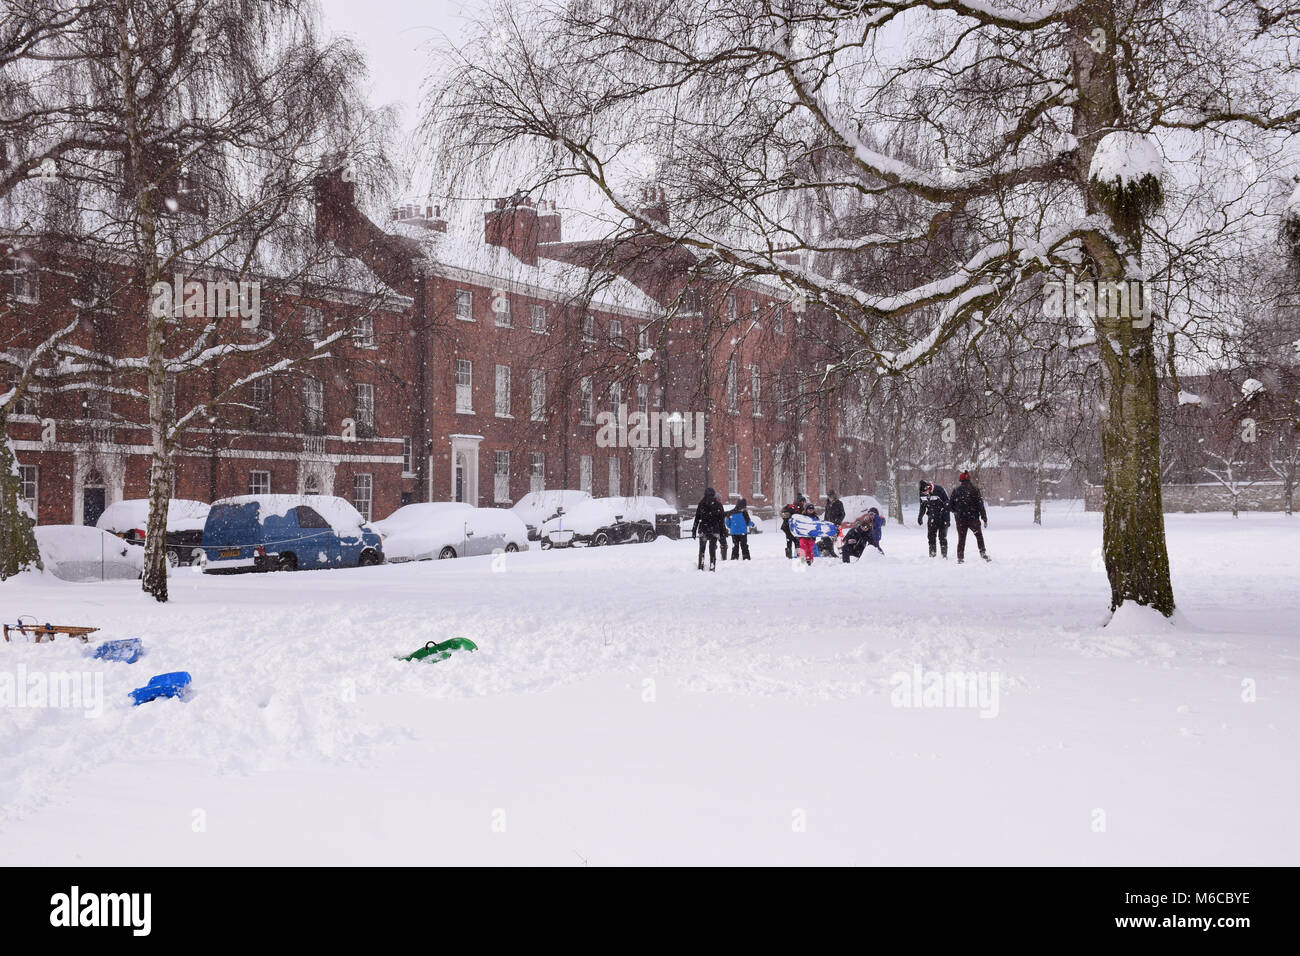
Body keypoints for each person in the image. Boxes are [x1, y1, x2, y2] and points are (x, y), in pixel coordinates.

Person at [949, 471, 990, 563]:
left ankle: (960, 557)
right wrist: (984, 518)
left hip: (961, 520)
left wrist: (956, 512)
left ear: (961, 480)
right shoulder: (975, 490)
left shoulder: (956, 490)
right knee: (979, 536)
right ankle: (983, 553)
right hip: (973, 519)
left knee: (961, 538)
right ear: (969, 479)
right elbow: (980, 505)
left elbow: (950, 506)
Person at [691, 487, 727, 570]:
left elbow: (697, 518)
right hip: (714, 529)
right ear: (713, 494)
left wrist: (694, 530)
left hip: (703, 529)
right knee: (712, 549)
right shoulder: (718, 504)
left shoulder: (701, 503)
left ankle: (701, 565)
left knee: (702, 549)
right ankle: (712, 566)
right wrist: (722, 531)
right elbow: (721, 520)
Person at [916, 479, 951, 559]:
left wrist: (947, 520)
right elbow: (922, 506)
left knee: (942, 537)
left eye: (925, 492)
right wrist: (920, 517)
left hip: (942, 517)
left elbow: (947, 505)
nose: (924, 494)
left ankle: (944, 555)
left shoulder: (939, 490)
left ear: (928, 488)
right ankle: (932, 555)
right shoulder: (922, 494)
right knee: (931, 537)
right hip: (931, 518)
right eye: (922, 493)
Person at [779, 493, 807, 559]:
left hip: (795, 528)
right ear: (799, 501)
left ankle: (796, 555)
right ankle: (789, 556)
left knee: (796, 541)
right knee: (790, 541)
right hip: (788, 527)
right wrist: (787, 515)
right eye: (802, 501)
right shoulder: (791, 507)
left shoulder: (802, 509)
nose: (803, 503)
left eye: (804, 501)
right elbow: (782, 514)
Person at [821, 490, 845, 558]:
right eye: (829, 497)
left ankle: (833, 552)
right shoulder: (828, 504)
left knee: (833, 538)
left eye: (831, 496)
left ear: (834, 496)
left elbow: (843, 514)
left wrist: (838, 522)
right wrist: (824, 522)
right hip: (827, 525)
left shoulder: (839, 503)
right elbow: (826, 514)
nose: (830, 498)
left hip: (835, 525)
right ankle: (828, 551)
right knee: (825, 538)